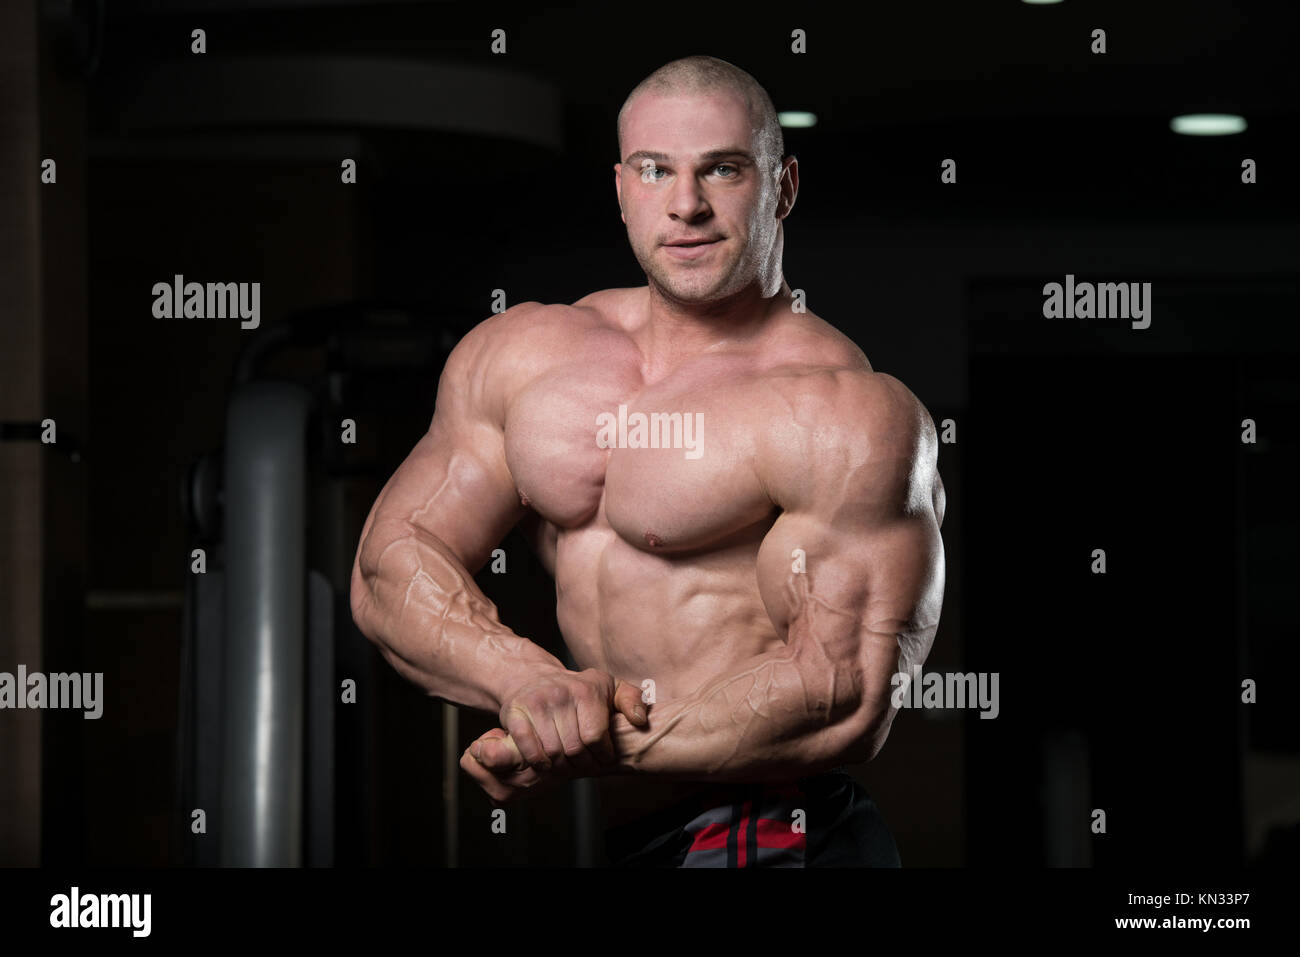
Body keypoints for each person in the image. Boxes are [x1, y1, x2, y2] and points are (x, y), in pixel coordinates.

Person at [349, 54, 946, 866]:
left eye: (723, 170)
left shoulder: (846, 413)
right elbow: (392, 563)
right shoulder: (524, 355)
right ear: (622, 187)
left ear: (784, 187)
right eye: (655, 169)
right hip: (626, 836)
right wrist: (529, 683)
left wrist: (588, 743)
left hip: (775, 833)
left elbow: (841, 691)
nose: (687, 205)